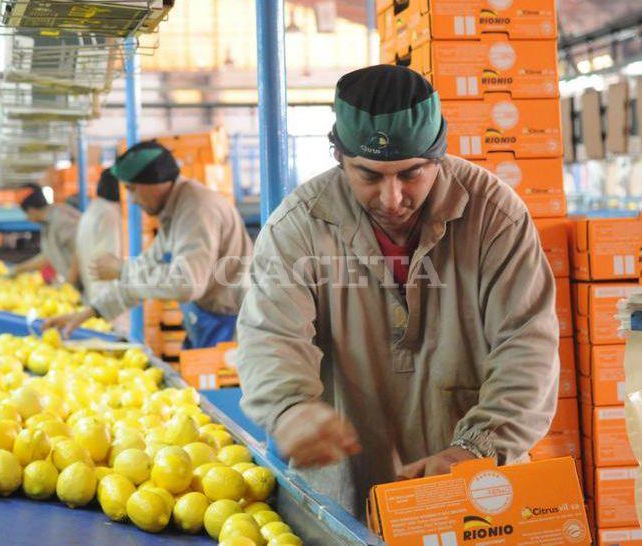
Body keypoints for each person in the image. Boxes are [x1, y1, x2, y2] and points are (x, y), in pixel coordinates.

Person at [235, 65, 560, 516]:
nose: (391, 197)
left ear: (439, 156)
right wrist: (290, 408)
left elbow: (527, 343)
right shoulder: (299, 227)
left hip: (476, 482)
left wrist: (478, 446)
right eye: (368, 175)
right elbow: (270, 334)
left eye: (411, 174)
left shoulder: (494, 217)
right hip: (347, 483)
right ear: (337, 155)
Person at [45, 140, 253, 349]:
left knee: (222, 381)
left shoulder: (196, 211)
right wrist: (89, 313)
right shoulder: (176, 210)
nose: (132, 200)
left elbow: (187, 283)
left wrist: (122, 269)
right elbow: (146, 267)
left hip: (230, 325)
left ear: (156, 183)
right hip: (209, 318)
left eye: (132, 189)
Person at [11, 183, 82, 285]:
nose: (27, 218)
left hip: (86, 285)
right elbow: (48, 256)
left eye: (26, 214)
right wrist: (18, 270)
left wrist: (69, 285)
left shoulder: (62, 219)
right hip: (77, 284)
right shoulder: (47, 223)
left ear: (31, 210)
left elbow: (79, 252)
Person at [76, 168, 125, 306]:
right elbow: (111, 262)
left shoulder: (91, 210)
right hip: (109, 301)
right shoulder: (110, 215)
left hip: (95, 296)